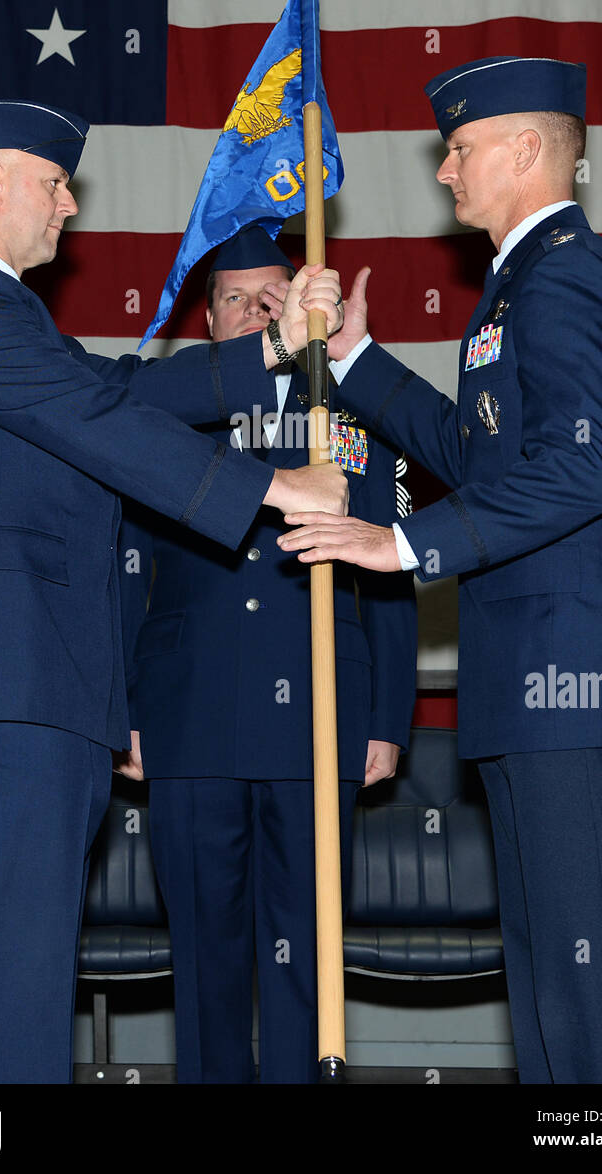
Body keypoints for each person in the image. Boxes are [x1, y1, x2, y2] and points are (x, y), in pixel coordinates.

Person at [0, 99, 348, 1084]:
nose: (70, 205)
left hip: (43, 678)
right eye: (53, 183)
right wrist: (277, 486)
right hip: (5, 675)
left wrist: (271, 350)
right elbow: (97, 419)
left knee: (25, 966)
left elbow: (119, 391)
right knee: (11, 977)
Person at [279, 56, 602, 1084]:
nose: (445, 172)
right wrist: (354, 357)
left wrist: (402, 545)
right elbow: (481, 457)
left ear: (526, 150)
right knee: (556, 991)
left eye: (461, 148)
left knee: (595, 988)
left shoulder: (569, 278)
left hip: (576, 679)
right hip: (532, 681)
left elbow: (581, 469)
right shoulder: (523, 286)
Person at [117, 223, 417, 1083]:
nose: (254, 313)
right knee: (205, 954)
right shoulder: (157, 415)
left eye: (273, 300)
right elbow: (119, 573)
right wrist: (121, 711)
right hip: (188, 710)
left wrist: (388, 718)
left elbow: (390, 569)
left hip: (318, 717)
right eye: (233, 300)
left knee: (306, 952)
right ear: (205, 320)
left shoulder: (350, 416)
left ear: (303, 311)